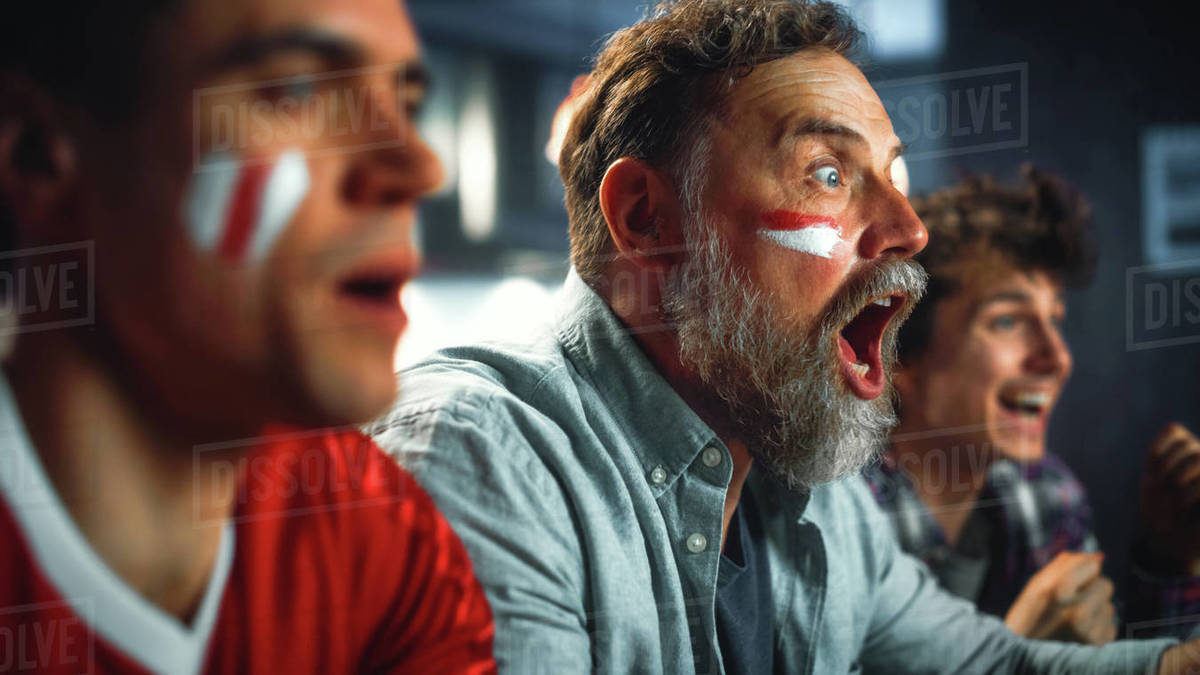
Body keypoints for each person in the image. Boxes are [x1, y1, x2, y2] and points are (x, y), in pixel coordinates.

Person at [371, 0, 1200, 671]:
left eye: (895, 178)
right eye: (830, 175)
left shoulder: (809, 481)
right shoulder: (482, 458)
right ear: (645, 217)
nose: (910, 229)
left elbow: (995, 662)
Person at [0, 1, 494, 672]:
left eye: (404, 103)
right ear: (37, 152)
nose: (418, 168)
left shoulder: (386, 540)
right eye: (299, 91)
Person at [863, 167, 1200, 643]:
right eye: (1007, 322)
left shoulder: (1047, 496)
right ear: (899, 356)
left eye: (1053, 319)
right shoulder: (843, 519)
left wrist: (1165, 561)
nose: (1057, 357)